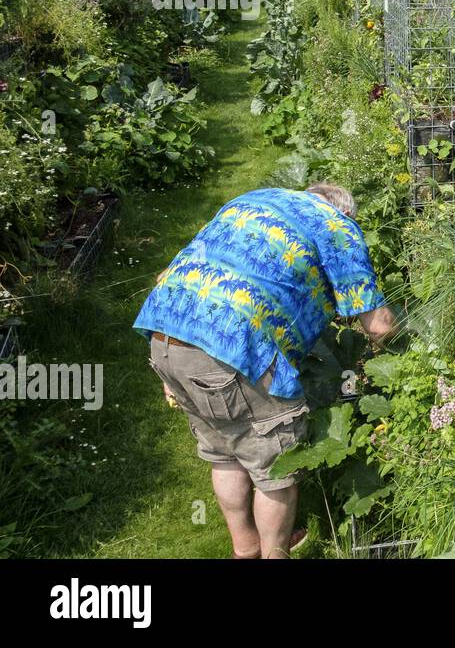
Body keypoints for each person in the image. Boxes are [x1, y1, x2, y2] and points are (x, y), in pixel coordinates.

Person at [134, 183, 395, 558]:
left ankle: (245, 550)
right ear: (345, 212)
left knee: (224, 452)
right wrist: (402, 350)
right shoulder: (336, 226)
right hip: (233, 347)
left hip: (165, 336)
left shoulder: (253, 200)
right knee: (276, 467)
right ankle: (274, 554)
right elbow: (379, 326)